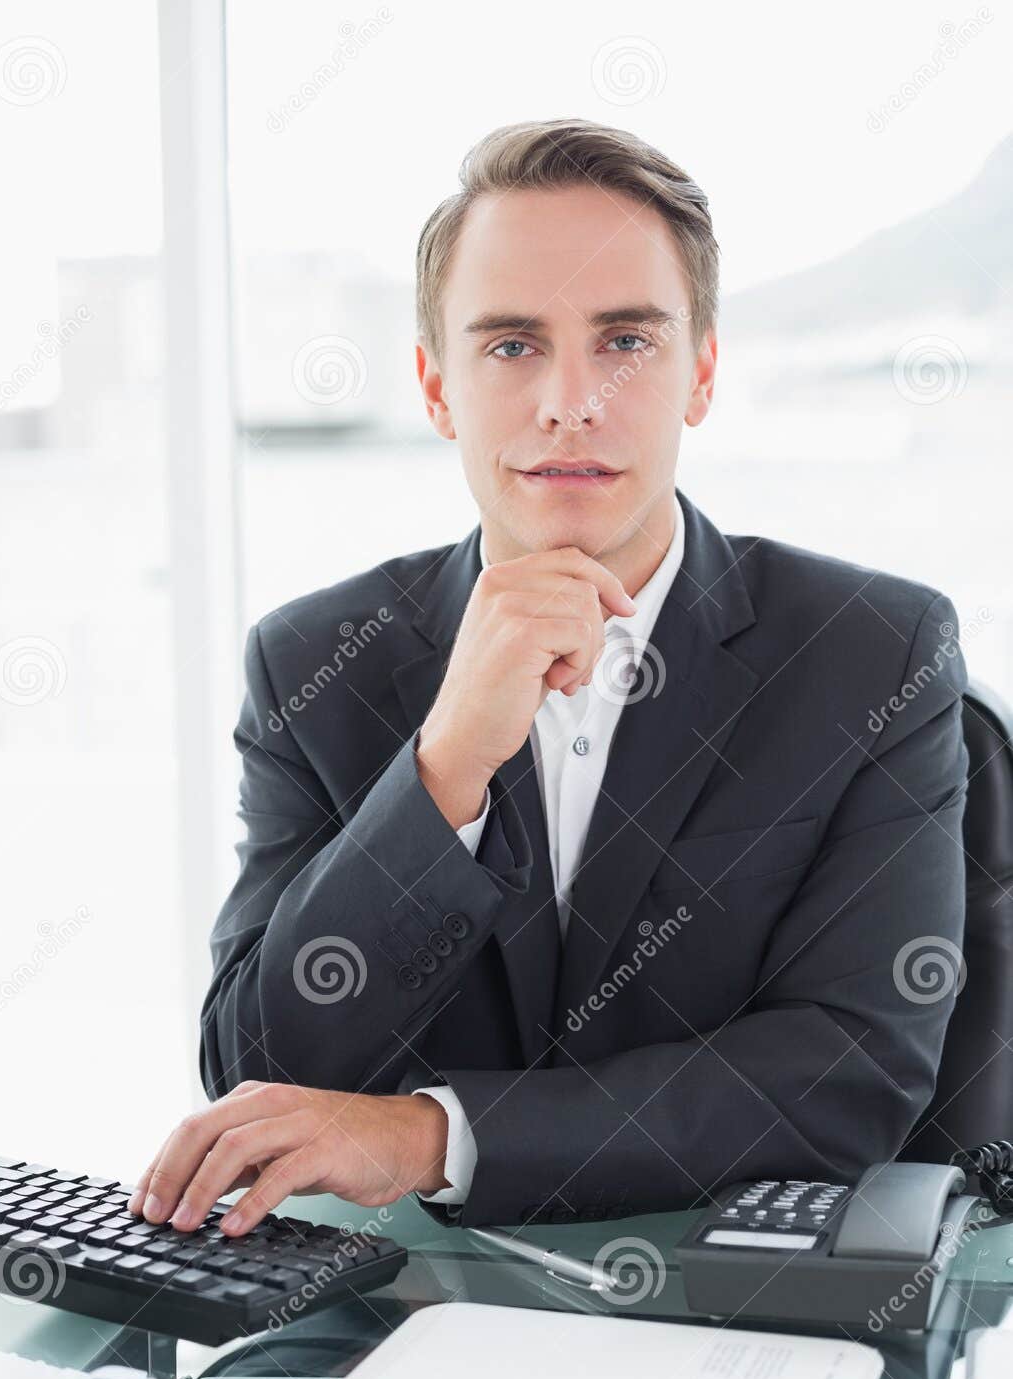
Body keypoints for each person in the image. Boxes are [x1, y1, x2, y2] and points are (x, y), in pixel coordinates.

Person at [129, 118, 968, 1237]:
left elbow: (852, 1071)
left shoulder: (874, 649)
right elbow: (260, 1067)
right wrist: (441, 774)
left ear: (700, 373)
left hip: (745, 1323)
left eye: (624, 341)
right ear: (436, 388)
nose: (568, 400)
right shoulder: (312, 664)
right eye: (511, 345)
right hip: (404, 1330)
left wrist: (429, 1134)